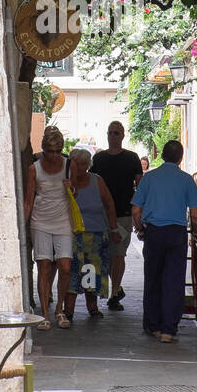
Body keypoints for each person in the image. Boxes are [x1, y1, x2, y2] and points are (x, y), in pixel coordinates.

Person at [131, 139, 197, 343]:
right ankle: (168, 329)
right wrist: (196, 232)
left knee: (153, 278)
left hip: (153, 232)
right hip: (176, 234)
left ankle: (153, 326)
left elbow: (135, 210)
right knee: (173, 281)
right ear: (180, 158)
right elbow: (195, 214)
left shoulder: (149, 178)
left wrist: (140, 229)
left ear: (162, 155)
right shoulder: (186, 179)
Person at [24, 125, 73, 329]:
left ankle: (59, 308)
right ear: (43, 149)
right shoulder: (34, 168)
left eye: (56, 151)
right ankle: (44, 313)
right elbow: (29, 200)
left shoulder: (69, 165)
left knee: (65, 266)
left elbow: (75, 194)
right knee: (43, 266)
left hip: (63, 221)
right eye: (49, 152)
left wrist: (72, 189)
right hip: (40, 221)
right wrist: (23, 227)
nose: (53, 156)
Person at [91, 121, 144, 310]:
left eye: (116, 133)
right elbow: (91, 183)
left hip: (123, 213)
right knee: (102, 254)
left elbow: (140, 186)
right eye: (110, 132)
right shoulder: (99, 159)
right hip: (101, 213)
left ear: (123, 135)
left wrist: (139, 212)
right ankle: (113, 288)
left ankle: (113, 293)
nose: (113, 136)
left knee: (118, 254)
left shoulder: (132, 158)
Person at [66, 148, 120, 319]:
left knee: (93, 271)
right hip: (73, 234)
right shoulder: (66, 182)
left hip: (96, 234)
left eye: (84, 164)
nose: (81, 168)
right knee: (73, 271)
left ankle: (92, 307)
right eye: (77, 165)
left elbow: (109, 205)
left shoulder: (97, 181)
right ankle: (68, 309)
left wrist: (114, 229)